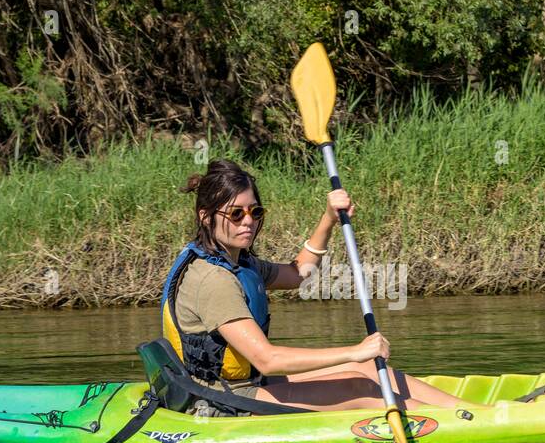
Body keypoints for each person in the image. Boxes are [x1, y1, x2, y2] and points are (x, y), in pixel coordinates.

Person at [159, 158, 492, 415]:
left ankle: (475, 414)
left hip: (245, 385)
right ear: (206, 216)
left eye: (254, 211)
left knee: (365, 371)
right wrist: (354, 349)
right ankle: (470, 425)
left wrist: (329, 218)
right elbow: (268, 360)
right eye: (235, 214)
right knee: (365, 393)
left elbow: (298, 273)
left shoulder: (237, 261)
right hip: (223, 401)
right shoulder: (213, 280)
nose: (248, 221)